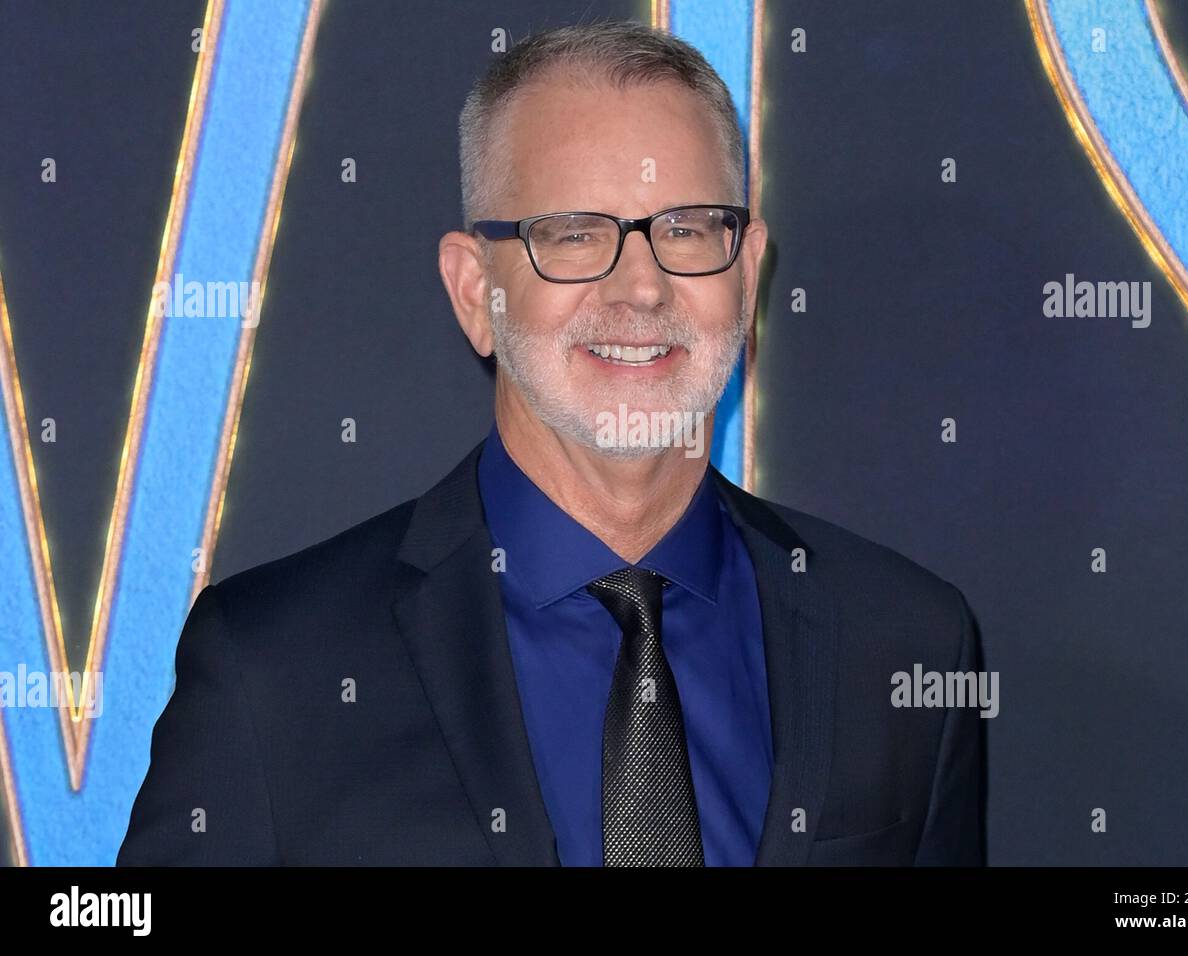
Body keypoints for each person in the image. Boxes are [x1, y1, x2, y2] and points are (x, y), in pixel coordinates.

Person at [117, 18, 984, 867]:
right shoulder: (273, 670)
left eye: (685, 228)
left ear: (747, 272)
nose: (641, 287)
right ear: (474, 292)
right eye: (573, 235)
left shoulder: (905, 642)